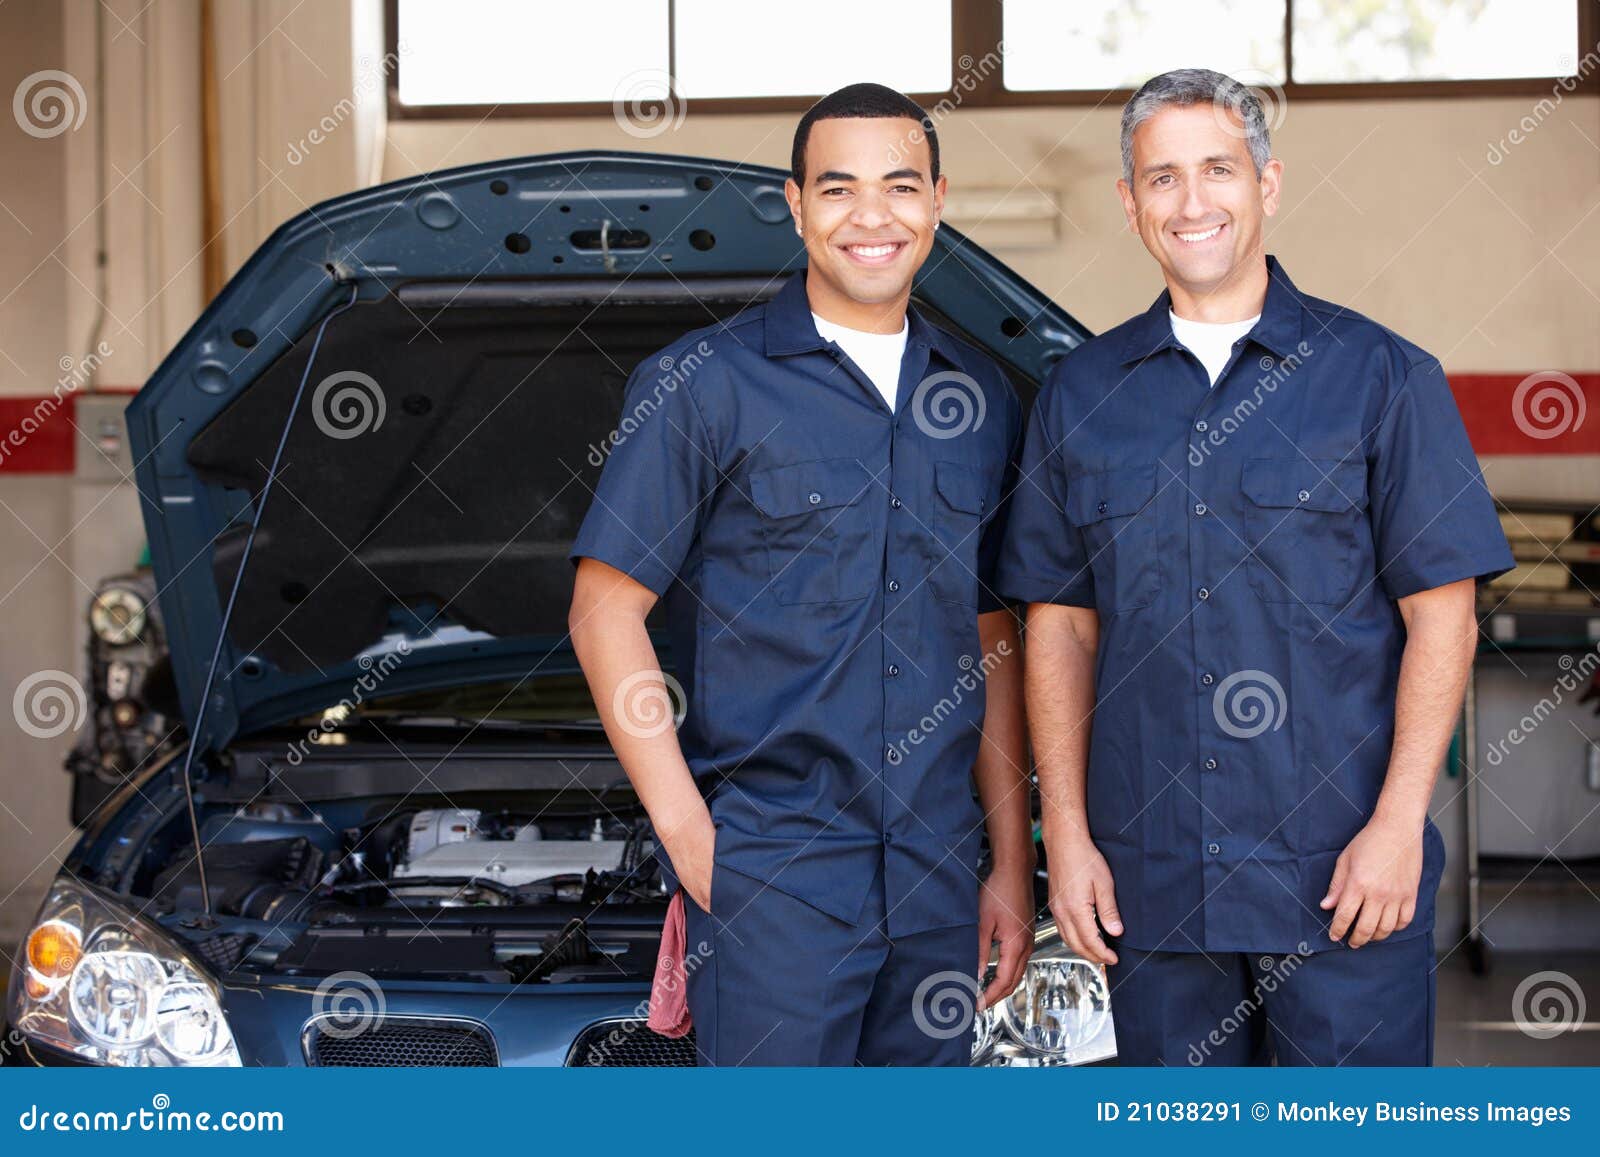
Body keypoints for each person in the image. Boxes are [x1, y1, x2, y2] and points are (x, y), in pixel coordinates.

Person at [997, 68, 1513, 1066]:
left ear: (1266, 185)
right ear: (1129, 201)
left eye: (1218, 170)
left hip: (1343, 882)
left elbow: (1442, 617)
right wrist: (1063, 835)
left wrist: (1399, 822)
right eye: (1162, 178)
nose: (1193, 203)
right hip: (1151, 891)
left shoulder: (1381, 379)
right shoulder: (1081, 395)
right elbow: (1056, 627)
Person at [568, 83, 1034, 1066]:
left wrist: (1010, 861)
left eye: (899, 187)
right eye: (839, 189)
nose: (872, 217)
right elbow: (604, 612)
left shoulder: (979, 395)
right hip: (775, 872)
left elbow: (991, 636)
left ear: (938, 200)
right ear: (794, 205)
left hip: (935, 870)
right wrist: (686, 826)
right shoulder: (703, 384)